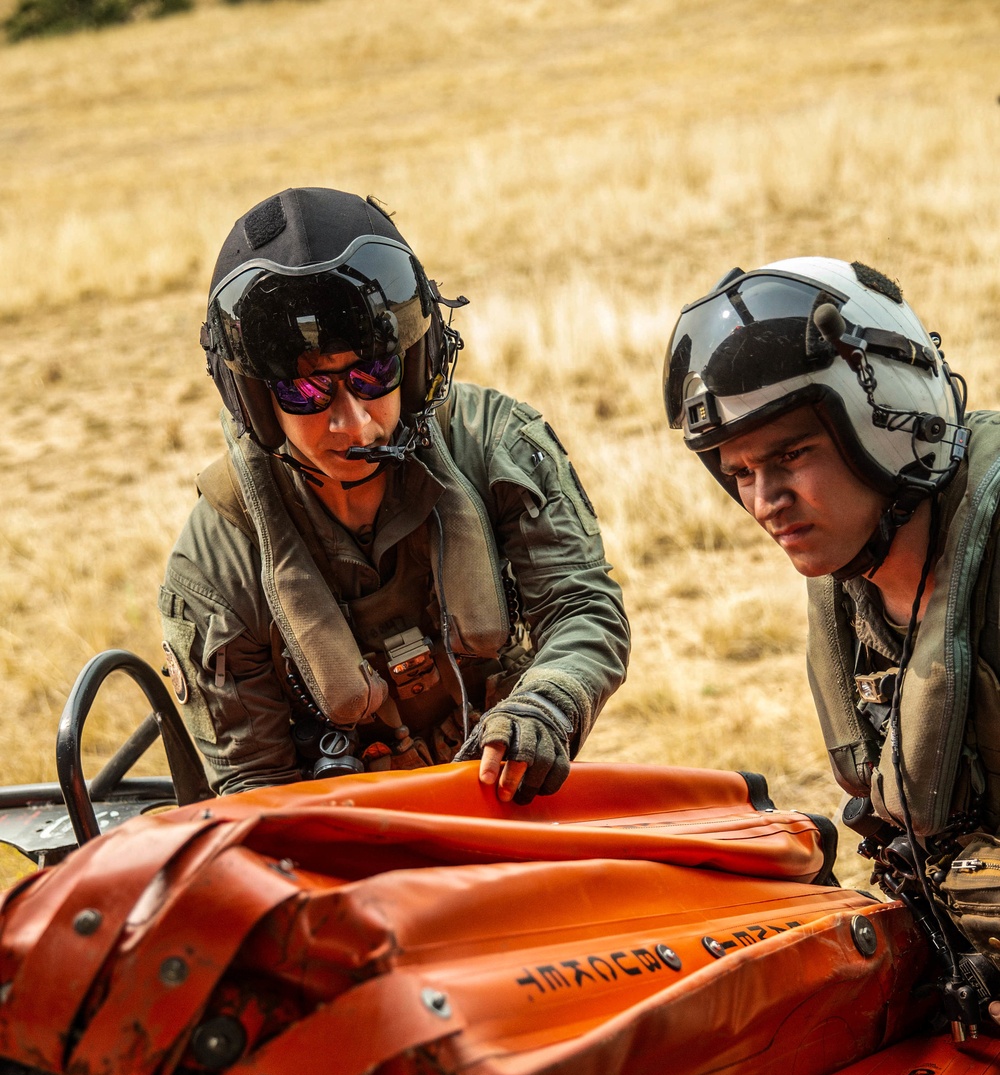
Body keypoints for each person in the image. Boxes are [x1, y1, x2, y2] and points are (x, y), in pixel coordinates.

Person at [159, 188, 629, 804]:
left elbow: (584, 608)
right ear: (255, 401)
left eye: (373, 374)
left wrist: (545, 705)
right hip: (347, 844)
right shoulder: (216, 566)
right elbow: (255, 795)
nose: (353, 423)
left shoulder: (494, 444)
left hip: (512, 800)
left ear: (414, 363)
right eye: (306, 391)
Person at [662, 256, 1000, 993]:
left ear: (887, 421)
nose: (765, 501)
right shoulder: (854, 594)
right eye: (741, 472)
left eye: (791, 455)